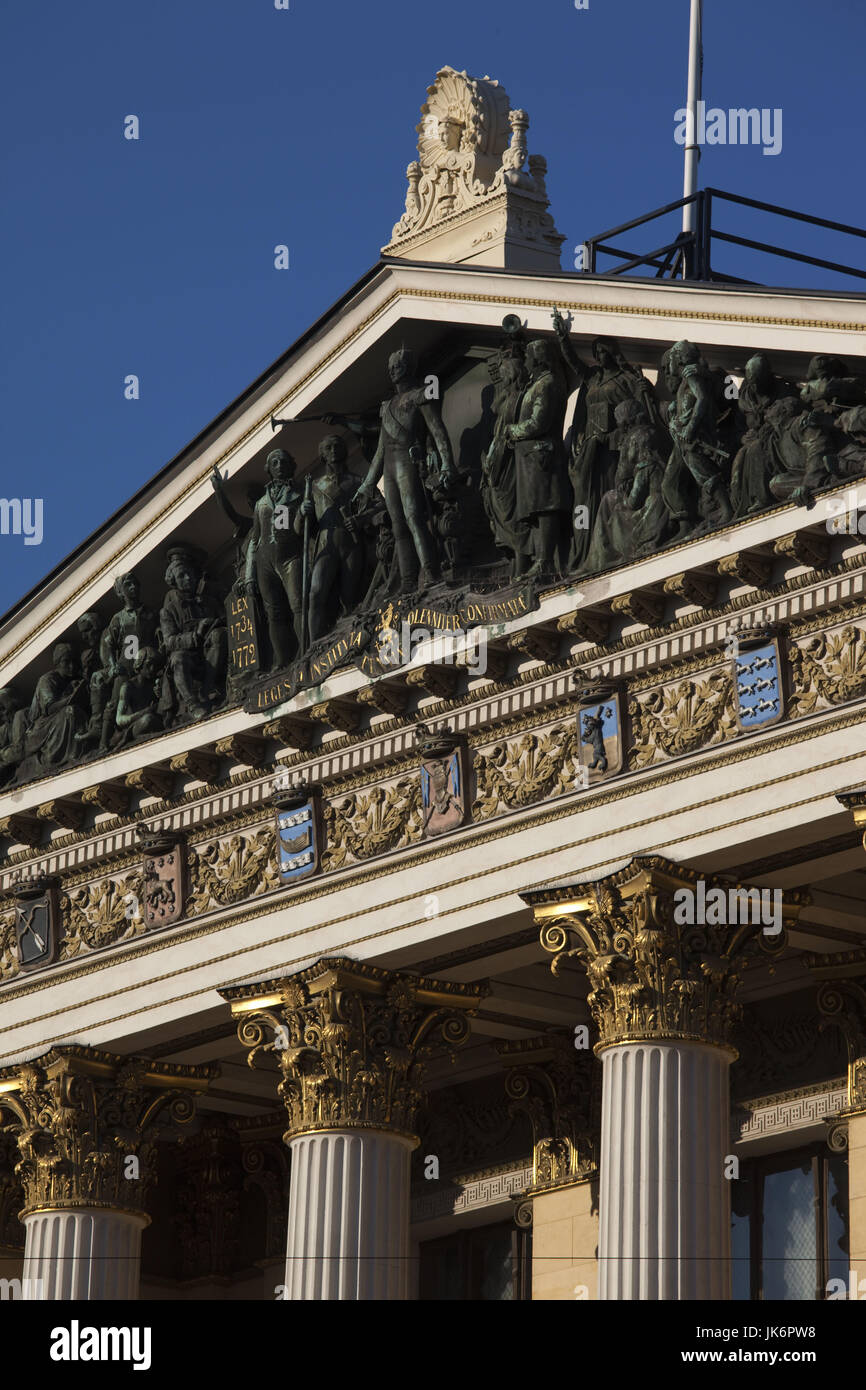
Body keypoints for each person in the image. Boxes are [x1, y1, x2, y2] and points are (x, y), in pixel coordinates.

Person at [354, 347, 458, 592]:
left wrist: (446, 463)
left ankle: (431, 571)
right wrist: (367, 484)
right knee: (398, 524)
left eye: (397, 366)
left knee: (414, 518)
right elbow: (380, 450)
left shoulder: (419, 397)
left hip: (408, 465)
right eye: (390, 368)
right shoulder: (386, 406)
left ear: (409, 367)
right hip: (390, 471)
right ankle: (409, 579)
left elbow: (438, 431)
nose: (393, 371)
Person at [506, 338, 571, 577]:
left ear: (538, 358)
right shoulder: (535, 385)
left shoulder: (547, 383)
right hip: (531, 458)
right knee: (535, 508)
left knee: (545, 505)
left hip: (541, 455)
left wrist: (511, 431)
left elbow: (538, 422)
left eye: (528, 356)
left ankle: (545, 560)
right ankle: (540, 558)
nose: (525, 360)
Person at [303, 435, 367, 643]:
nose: (334, 450)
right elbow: (298, 529)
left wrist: (360, 519)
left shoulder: (357, 481)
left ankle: (351, 638)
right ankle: (314, 645)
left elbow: (379, 504)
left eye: (338, 446)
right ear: (322, 455)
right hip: (326, 544)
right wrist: (301, 513)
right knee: (315, 593)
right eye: (328, 447)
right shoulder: (314, 488)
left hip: (351, 542)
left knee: (350, 596)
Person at [244, 449, 305, 667]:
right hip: (264, 562)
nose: (279, 465)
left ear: (291, 465)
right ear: (268, 469)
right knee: (274, 613)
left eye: (283, 461)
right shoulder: (261, 503)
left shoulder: (301, 492)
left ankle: (305, 649)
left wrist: (304, 512)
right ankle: (282, 660)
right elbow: (254, 539)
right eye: (274, 462)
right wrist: (249, 576)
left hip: (290, 557)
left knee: (298, 605)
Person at [159, 545, 226, 723]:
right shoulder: (169, 610)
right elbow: (169, 642)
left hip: (210, 652)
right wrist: (195, 635)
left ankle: (207, 689)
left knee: (220, 635)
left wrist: (213, 624)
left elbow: (226, 618)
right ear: (173, 580)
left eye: (189, 574)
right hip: (189, 658)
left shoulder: (208, 601)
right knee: (178, 658)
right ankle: (192, 704)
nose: (188, 578)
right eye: (182, 576)